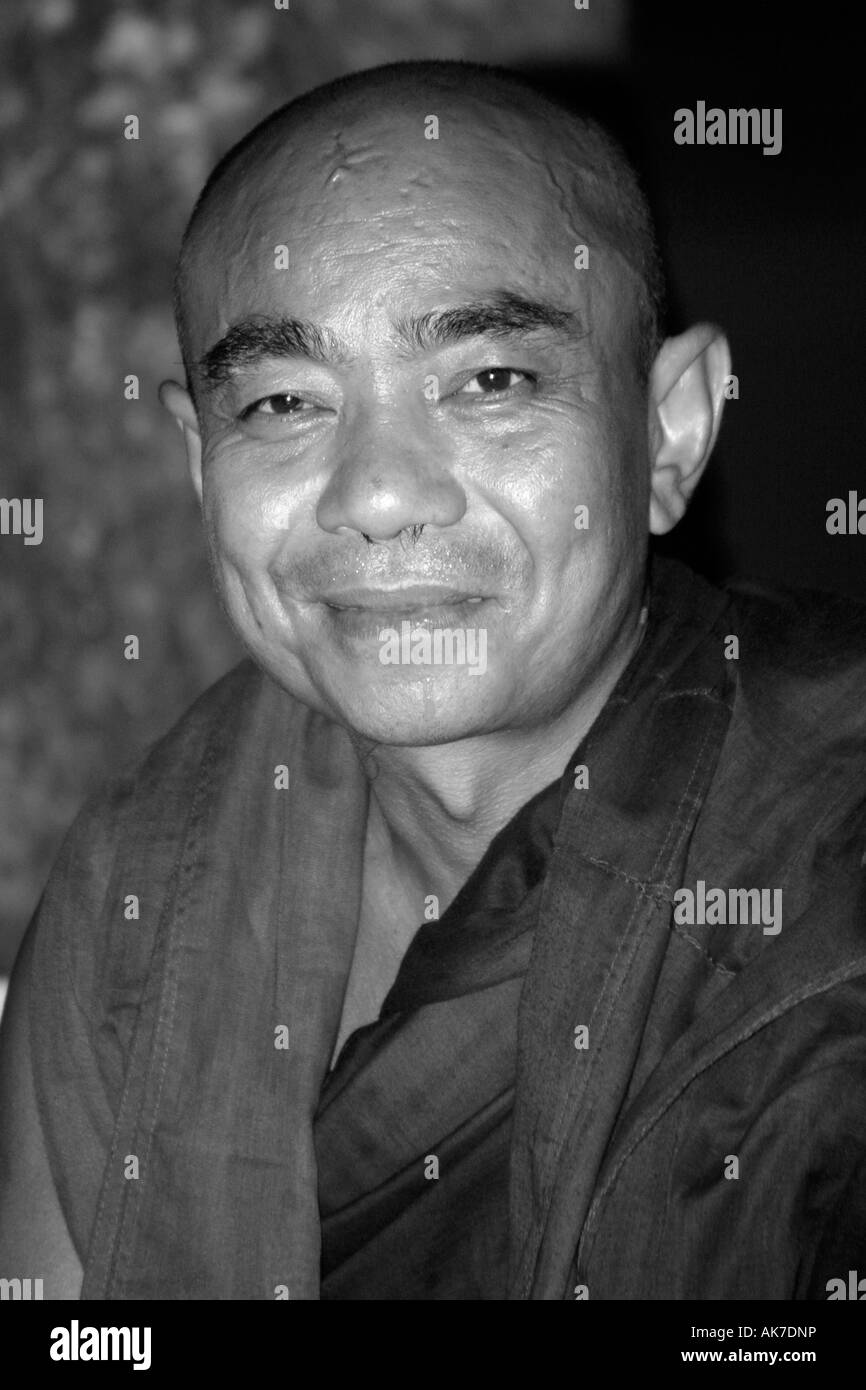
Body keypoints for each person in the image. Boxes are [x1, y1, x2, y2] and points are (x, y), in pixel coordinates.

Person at [1, 59, 865, 1302]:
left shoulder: (826, 853)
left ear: (666, 429)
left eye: (490, 380)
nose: (376, 492)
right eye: (284, 400)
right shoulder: (139, 886)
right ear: (199, 465)